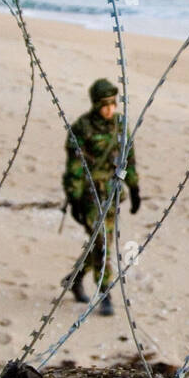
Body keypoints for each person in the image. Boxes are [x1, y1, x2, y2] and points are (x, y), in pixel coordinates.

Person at [63, 78, 140, 316]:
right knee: (102, 244)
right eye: (104, 104)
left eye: (113, 103)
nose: (110, 109)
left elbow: (127, 159)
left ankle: (74, 279)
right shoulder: (82, 128)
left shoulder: (120, 124)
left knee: (101, 242)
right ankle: (105, 292)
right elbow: (74, 166)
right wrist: (74, 198)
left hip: (112, 194)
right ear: (95, 104)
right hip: (89, 195)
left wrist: (134, 187)